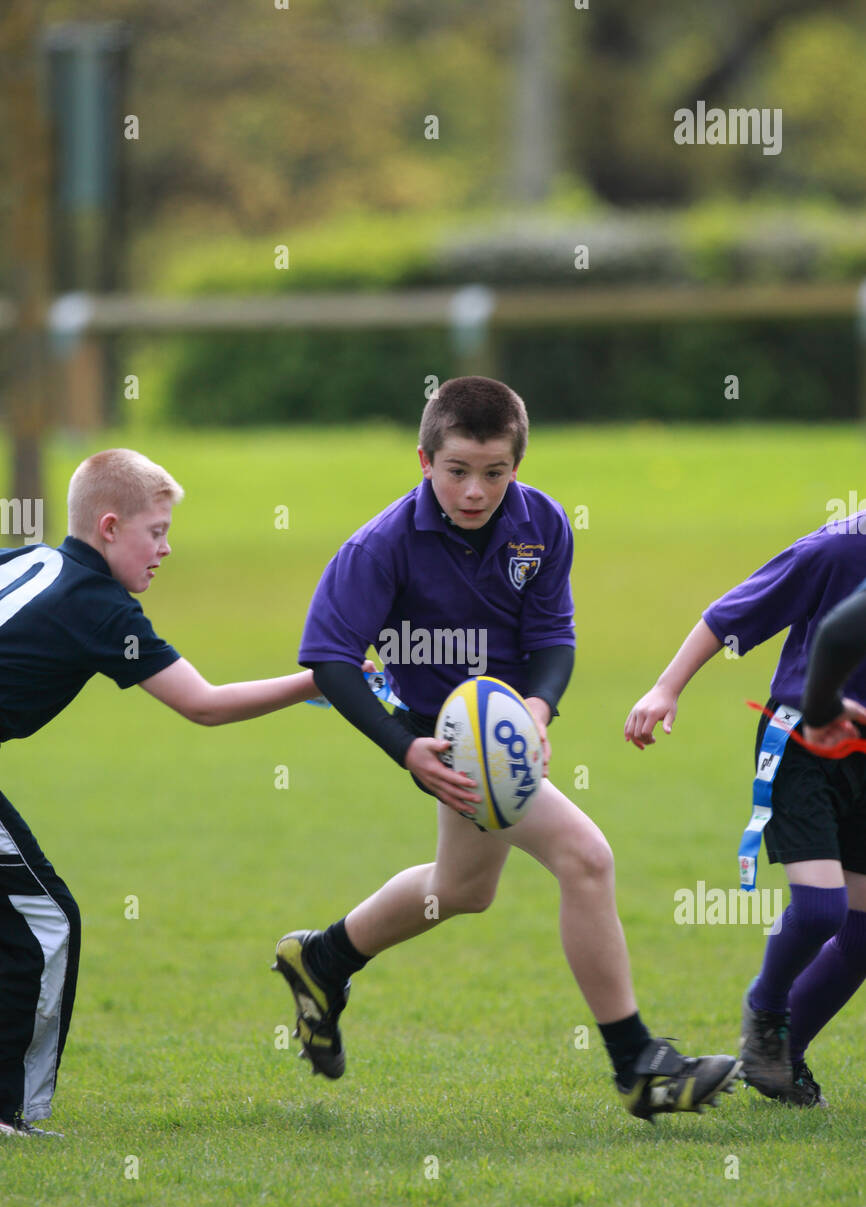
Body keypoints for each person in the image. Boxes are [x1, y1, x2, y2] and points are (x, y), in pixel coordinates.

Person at [273, 376, 739, 1122]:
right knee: (586, 857)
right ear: (424, 459)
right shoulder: (380, 546)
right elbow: (329, 658)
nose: (474, 491)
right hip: (442, 741)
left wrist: (537, 707)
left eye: (495, 472)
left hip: (497, 735)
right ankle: (640, 1066)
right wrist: (406, 749)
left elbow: (553, 638)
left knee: (463, 889)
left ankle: (322, 959)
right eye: (456, 470)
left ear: (517, 464)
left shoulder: (543, 524)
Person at [0, 448, 326, 1138]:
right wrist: (316, 680)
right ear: (111, 527)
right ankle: (9, 1116)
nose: (167, 549)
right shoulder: (99, 607)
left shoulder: (27, 559)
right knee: (47, 923)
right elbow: (204, 704)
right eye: (157, 532)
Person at [624, 512, 866, 1108]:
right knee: (819, 909)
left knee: (863, 933)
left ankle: (780, 1056)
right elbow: (729, 614)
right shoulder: (834, 552)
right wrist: (666, 687)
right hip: (804, 743)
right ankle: (766, 1009)